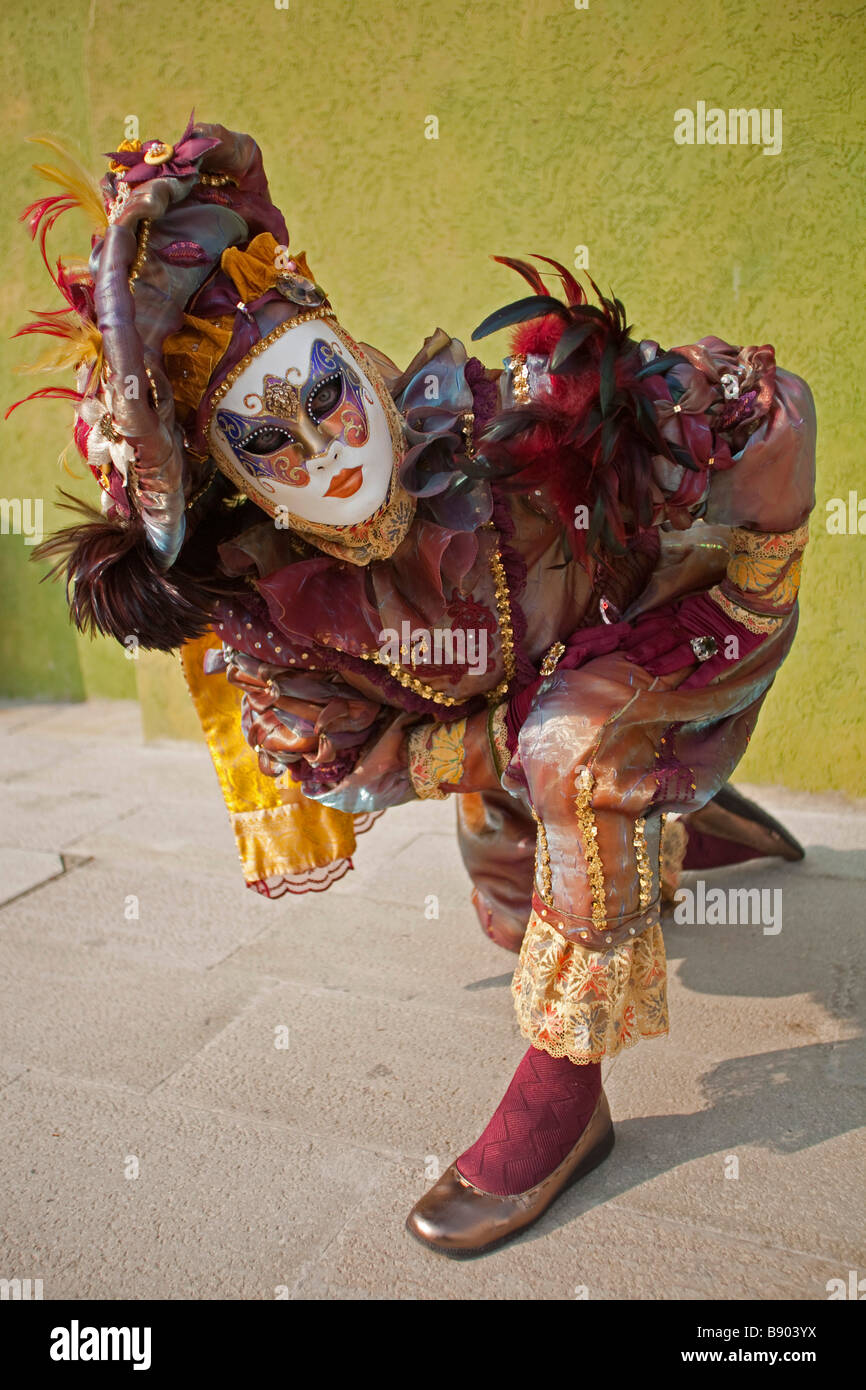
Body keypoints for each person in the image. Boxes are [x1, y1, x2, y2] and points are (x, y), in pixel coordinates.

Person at [13, 117, 815, 1257]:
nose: (327, 452)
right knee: (509, 908)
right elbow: (343, 761)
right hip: (517, 727)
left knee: (575, 754)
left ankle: (566, 1096)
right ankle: (659, 814)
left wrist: (745, 596)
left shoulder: (503, 424)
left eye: (323, 393)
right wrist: (503, 750)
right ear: (235, 476)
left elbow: (768, 414)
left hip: (674, 646)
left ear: (347, 350)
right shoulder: (277, 611)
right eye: (267, 443)